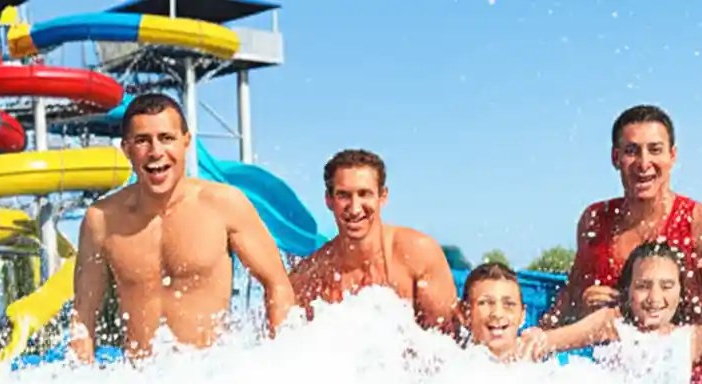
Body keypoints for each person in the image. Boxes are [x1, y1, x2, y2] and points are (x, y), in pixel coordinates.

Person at [541, 104, 702, 384]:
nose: (644, 163)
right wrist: (580, 310)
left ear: (672, 156)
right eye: (632, 151)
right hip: (618, 383)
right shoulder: (596, 220)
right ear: (615, 158)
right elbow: (566, 305)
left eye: (655, 150)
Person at [69, 93, 296, 363]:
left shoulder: (223, 204)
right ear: (126, 148)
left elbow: (278, 285)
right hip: (140, 383)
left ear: (186, 142)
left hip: (211, 376)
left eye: (166, 138)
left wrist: (281, 362)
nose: (156, 152)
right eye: (142, 141)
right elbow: (83, 315)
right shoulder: (102, 219)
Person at [543, 241, 702, 384]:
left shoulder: (691, 338)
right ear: (628, 291)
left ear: (680, 292)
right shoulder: (612, 324)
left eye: (667, 286)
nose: (655, 298)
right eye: (643, 286)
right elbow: (550, 340)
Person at [288, 149, 459, 334]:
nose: (354, 209)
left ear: (382, 196)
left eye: (364, 194)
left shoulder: (417, 254)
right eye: (343, 195)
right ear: (329, 200)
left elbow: (447, 345)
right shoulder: (309, 278)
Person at [457, 262, 548, 362]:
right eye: (485, 303)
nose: (497, 313)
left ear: (523, 315)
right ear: (465, 313)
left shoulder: (536, 366)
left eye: (509, 304)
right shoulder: (452, 362)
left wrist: (546, 339)